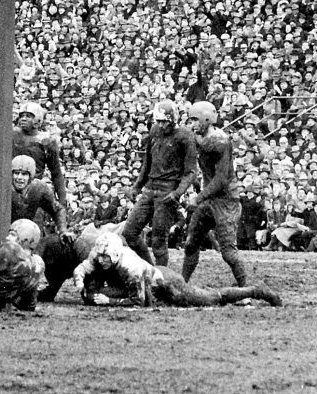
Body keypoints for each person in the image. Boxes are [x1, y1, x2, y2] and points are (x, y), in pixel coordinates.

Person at [73, 231, 281, 308]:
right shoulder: (99, 255)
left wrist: (109, 301)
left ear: (116, 255)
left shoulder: (131, 268)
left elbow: (140, 301)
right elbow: (82, 269)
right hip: (149, 280)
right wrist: (80, 281)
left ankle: (257, 290)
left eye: (105, 257)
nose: (101, 261)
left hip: (166, 285)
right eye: (99, 256)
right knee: (95, 293)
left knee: (213, 298)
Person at [120, 100, 197, 267]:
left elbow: (191, 171)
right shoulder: (155, 131)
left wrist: (177, 193)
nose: (161, 125)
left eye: (164, 121)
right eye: (159, 121)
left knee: (158, 239)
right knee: (129, 233)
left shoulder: (185, 136)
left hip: (168, 190)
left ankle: (161, 277)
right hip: (150, 187)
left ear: (173, 119)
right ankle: (149, 267)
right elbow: (147, 162)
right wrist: (137, 185)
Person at [181, 101, 249, 286]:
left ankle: (245, 290)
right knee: (190, 244)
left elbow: (221, 180)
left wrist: (198, 197)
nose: (192, 125)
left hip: (226, 200)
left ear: (206, 119)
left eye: (195, 120)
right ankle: (183, 285)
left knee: (228, 252)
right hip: (210, 198)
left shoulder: (219, 141)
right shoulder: (201, 136)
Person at [0, 154, 68, 256]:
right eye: (16, 173)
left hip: (21, 235)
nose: (19, 178)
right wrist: (3, 227)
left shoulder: (40, 188)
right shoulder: (1, 188)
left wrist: (63, 230)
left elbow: (58, 209)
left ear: (31, 176)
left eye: (24, 174)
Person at [0, 102, 67, 206]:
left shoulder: (47, 141)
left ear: (37, 119)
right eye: (22, 116)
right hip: (9, 187)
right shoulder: (11, 135)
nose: (23, 119)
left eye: (28, 116)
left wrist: (62, 200)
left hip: (32, 190)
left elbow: (56, 173)